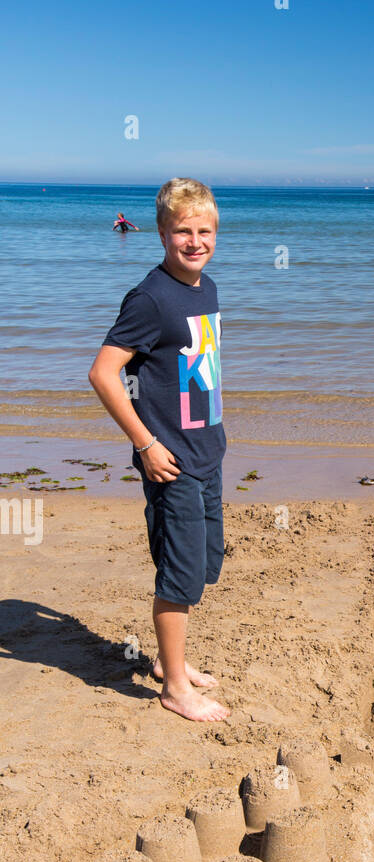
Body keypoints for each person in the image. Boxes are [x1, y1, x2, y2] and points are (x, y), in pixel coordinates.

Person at [89, 178, 229, 722]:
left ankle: (175, 661)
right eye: (182, 231)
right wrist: (145, 444)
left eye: (204, 230)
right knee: (180, 574)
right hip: (170, 460)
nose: (195, 241)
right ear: (162, 234)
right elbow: (104, 374)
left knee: (202, 566)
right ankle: (174, 686)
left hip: (207, 451)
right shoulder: (149, 298)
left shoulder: (207, 287)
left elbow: (194, 372)